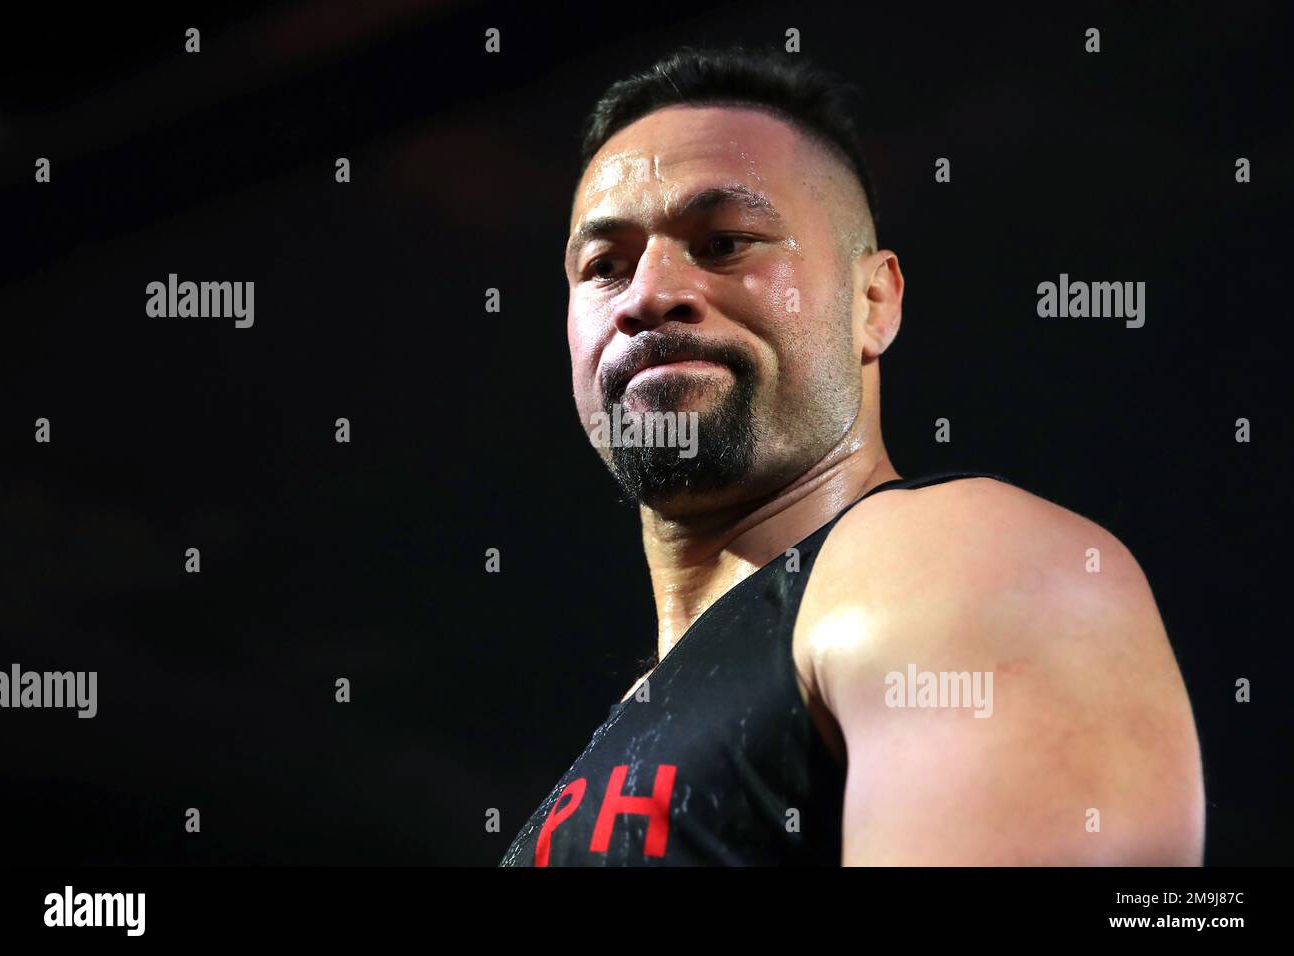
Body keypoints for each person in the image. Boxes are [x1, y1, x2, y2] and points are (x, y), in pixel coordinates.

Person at [500, 45, 1204, 866]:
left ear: (873, 303)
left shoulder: (954, 557)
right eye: (604, 266)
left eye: (724, 242)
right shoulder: (641, 711)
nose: (649, 294)